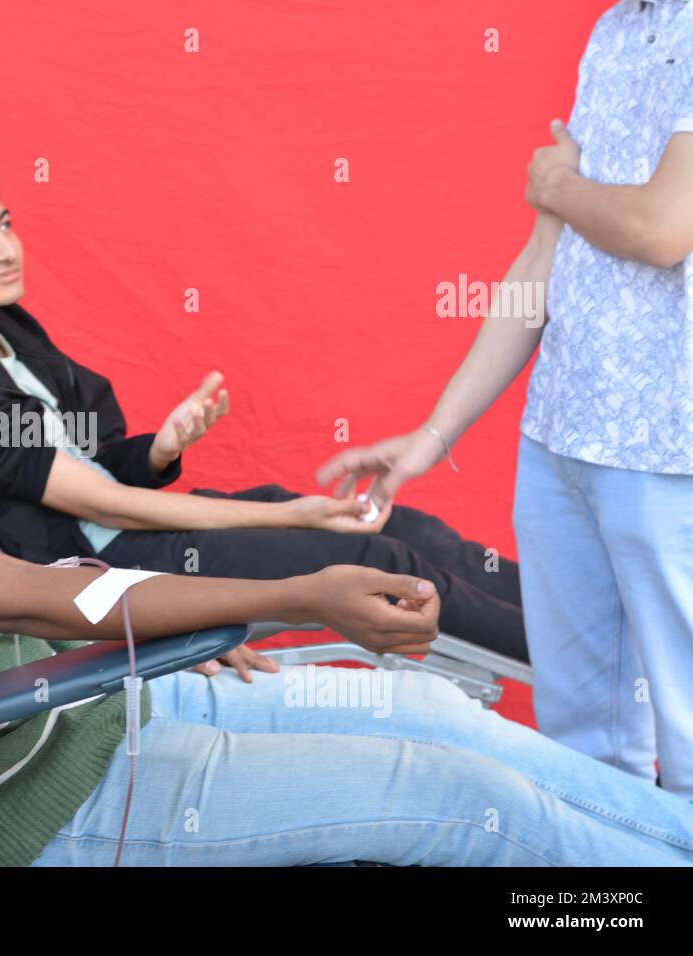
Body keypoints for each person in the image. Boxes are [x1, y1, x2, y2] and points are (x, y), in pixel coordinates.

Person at [0, 122, 693, 867]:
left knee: (415, 701)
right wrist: (274, 596)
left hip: (85, 702)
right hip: (42, 787)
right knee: (452, 793)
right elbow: (18, 594)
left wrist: (160, 632)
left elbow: (34, 575)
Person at [0, 161, 525, 660]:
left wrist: (155, 452)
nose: (5, 248)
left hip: (128, 530)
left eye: (4, 225)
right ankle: (575, 664)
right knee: (380, 554)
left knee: (407, 524)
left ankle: (587, 628)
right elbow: (105, 507)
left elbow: (88, 461)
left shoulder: (3, 326)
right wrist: (287, 515)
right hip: (109, 568)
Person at [317, 0, 693, 798]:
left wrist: (558, 182)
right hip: (560, 437)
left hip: (670, 449)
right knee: (578, 744)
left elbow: (666, 227)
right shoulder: (615, 30)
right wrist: (434, 433)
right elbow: (541, 262)